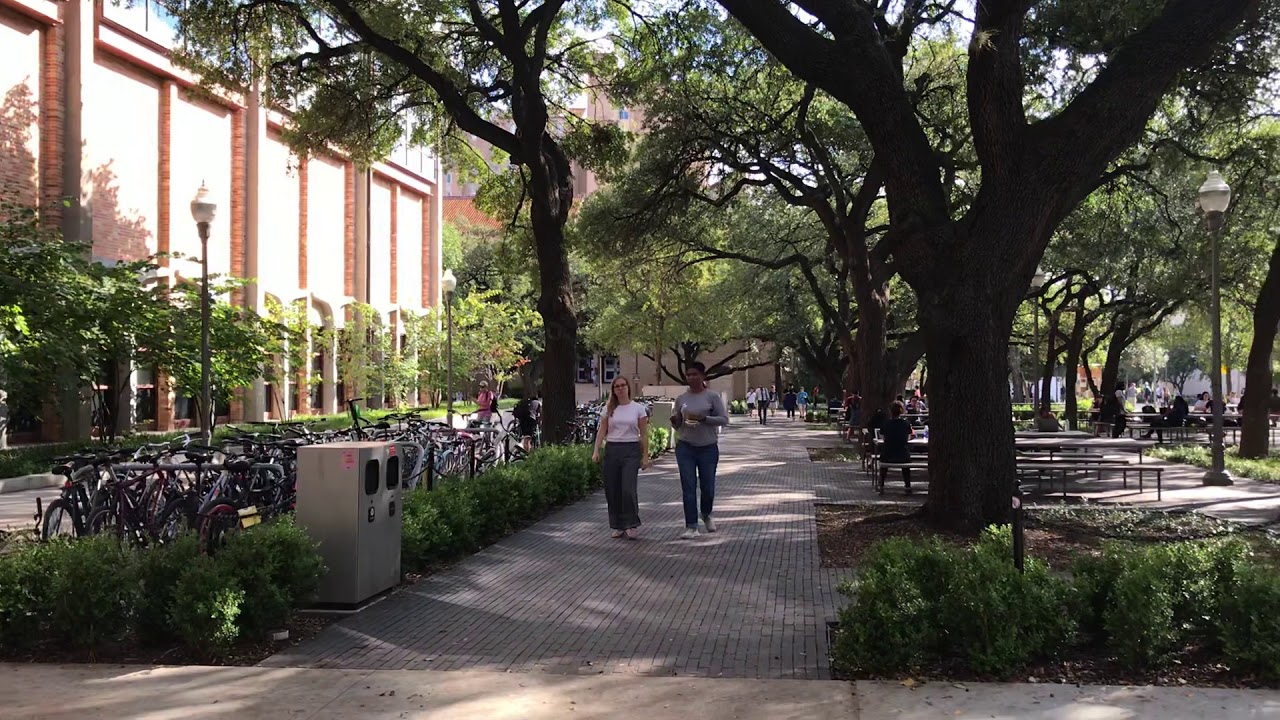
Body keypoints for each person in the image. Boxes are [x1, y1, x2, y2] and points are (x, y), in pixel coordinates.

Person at [671, 362, 729, 539]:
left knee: (707, 486)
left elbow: (723, 419)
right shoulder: (682, 398)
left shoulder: (712, 397)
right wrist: (675, 420)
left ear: (703, 376)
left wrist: (705, 419)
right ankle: (691, 525)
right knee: (688, 486)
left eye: (695, 374)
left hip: (708, 447)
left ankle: (706, 514)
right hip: (685, 446)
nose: (691, 378)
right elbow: (677, 421)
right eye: (688, 375)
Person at [592, 377, 652, 540]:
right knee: (612, 489)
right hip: (612, 449)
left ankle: (631, 523)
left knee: (627, 488)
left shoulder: (638, 409)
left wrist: (645, 456)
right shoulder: (609, 408)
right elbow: (601, 431)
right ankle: (618, 524)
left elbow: (644, 434)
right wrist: (596, 450)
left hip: (631, 449)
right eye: (616, 386)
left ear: (628, 387)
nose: (620, 389)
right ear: (613, 390)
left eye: (623, 385)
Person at [877, 402, 915, 494]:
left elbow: (882, 437)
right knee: (906, 463)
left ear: (890, 412)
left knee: (883, 461)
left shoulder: (886, 423)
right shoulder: (906, 423)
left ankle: (881, 485)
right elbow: (910, 436)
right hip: (903, 456)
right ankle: (907, 485)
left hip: (887, 455)